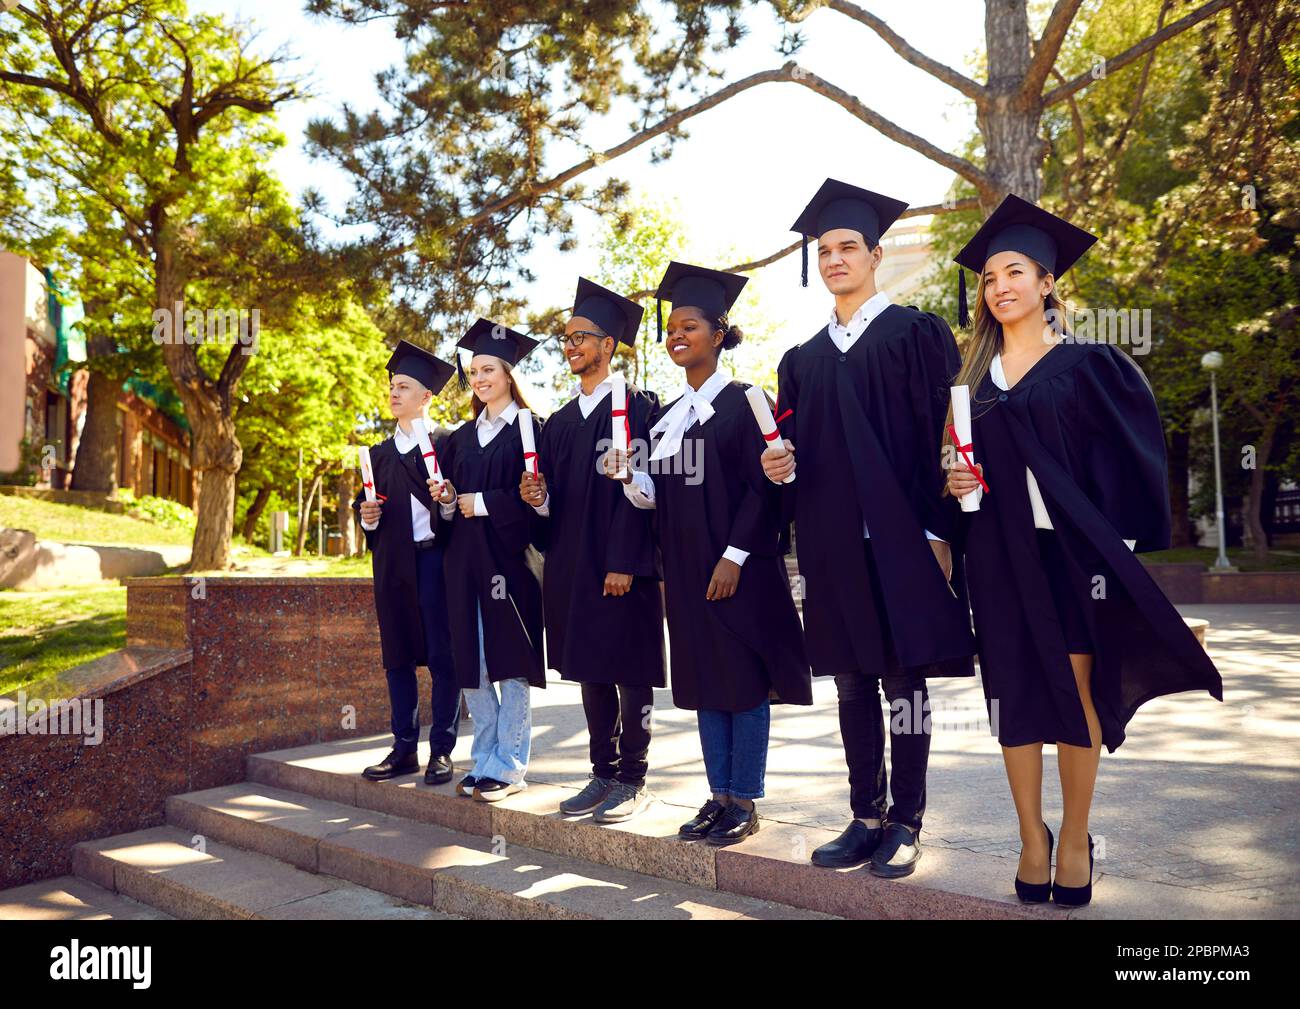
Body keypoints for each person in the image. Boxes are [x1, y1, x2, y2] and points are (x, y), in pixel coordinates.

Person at [945, 195, 1223, 907]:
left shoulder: (1089, 365)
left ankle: (1074, 836)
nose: (999, 285)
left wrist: (1114, 553)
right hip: (995, 557)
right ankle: (1030, 837)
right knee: (1012, 697)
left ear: (1046, 283)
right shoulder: (970, 382)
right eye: (989, 277)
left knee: (1073, 694)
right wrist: (950, 477)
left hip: (1070, 556)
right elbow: (952, 467)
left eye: (1015, 271)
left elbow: (1128, 461)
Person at [761, 178, 977, 877]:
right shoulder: (802, 360)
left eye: (847, 246)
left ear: (876, 254)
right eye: (823, 250)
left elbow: (949, 437)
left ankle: (906, 819)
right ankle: (864, 814)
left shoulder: (916, 335)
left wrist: (941, 532)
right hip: (831, 545)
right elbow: (794, 460)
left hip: (906, 537)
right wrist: (777, 465)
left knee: (905, 679)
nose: (833, 259)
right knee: (852, 681)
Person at [619, 261, 812, 846]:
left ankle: (745, 798)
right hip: (683, 569)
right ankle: (718, 794)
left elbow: (765, 489)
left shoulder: (745, 402)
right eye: (672, 326)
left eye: (692, 326)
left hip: (737, 567)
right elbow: (657, 499)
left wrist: (734, 556)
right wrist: (628, 474)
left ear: (720, 335)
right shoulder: (666, 419)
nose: (678, 334)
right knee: (705, 681)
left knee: (744, 680)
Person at [520, 278, 666, 823]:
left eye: (582, 336)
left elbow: (650, 494)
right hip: (573, 566)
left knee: (631, 671)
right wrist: (538, 499)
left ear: (609, 345)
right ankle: (602, 772)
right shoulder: (558, 423)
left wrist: (624, 561)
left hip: (621, 567)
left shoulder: (641, 408)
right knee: (590, 671)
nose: (571, 345)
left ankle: (634, 777)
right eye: (567, 337)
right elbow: (555, 505)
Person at [434, 319, 547, 802]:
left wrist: (481, 502)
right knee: (473, 663)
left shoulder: (532, 428)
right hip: (463, 561)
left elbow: (540, 500)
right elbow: (447, 509)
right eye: (474, 370)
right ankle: (483, 759)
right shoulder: (459, 438)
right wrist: (444, 499)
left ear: (508, 374)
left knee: (511, 662)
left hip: (510, 561)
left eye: (489, 369)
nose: (479, 378)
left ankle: (511, 764)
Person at [353, 341, 462, 784]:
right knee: (397, 656)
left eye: (404, 386)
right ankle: (402, 748)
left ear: (427, 396)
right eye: (392, 386)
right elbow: (364, 511)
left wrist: (450, 501)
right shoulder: (377, 456)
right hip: (394, 565)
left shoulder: (450, 444)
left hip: (437, 560)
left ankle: (442, 750)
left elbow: (458, 507)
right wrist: (367, 517)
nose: (394, 393)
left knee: (443, 656)